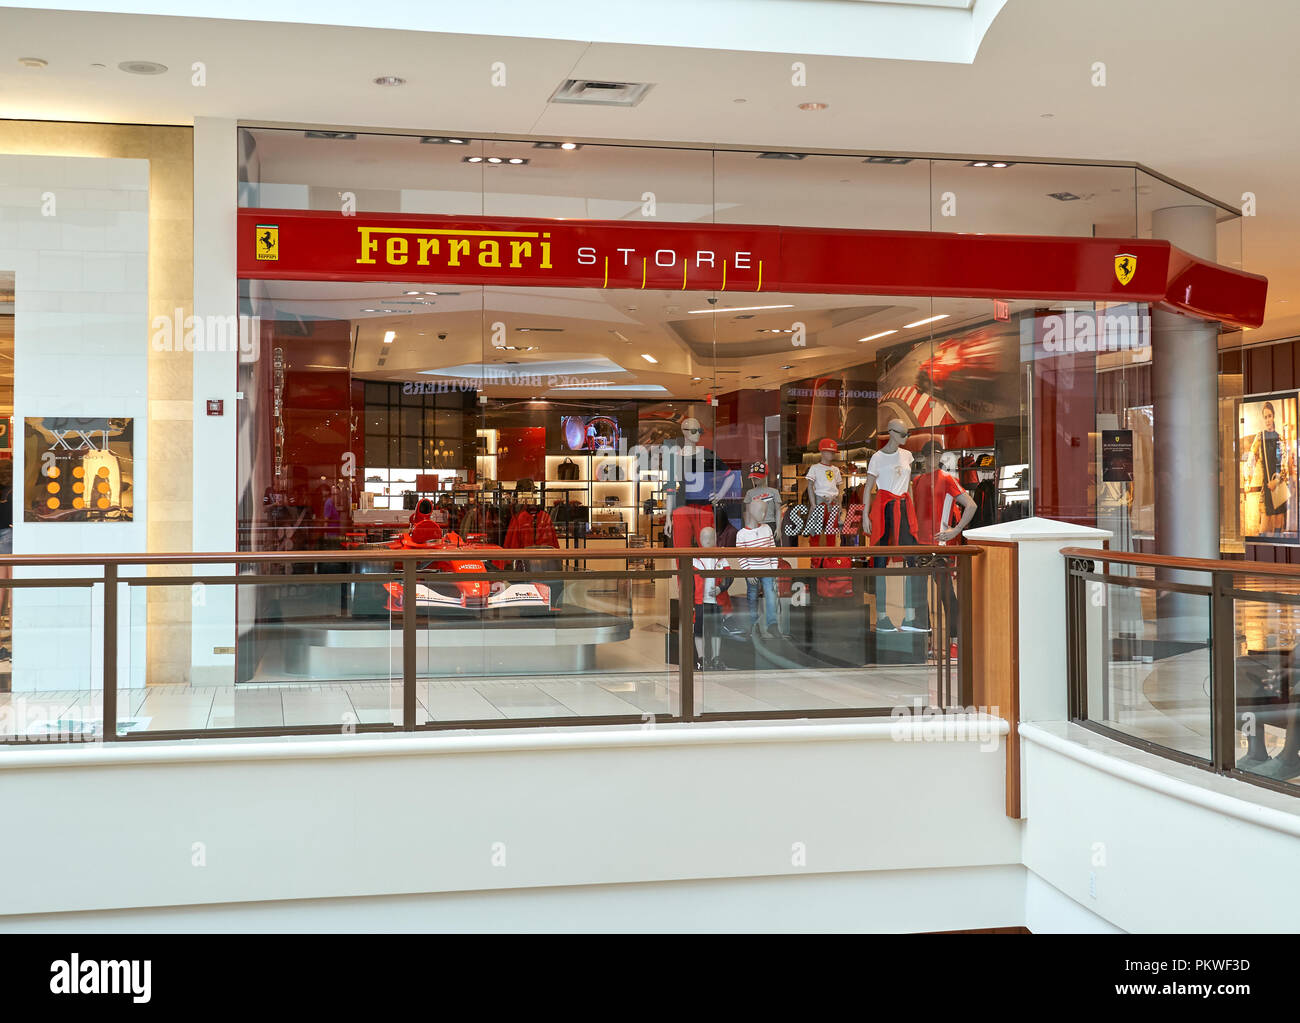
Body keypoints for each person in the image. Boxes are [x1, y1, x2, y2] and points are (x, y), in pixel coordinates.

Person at [1246, 401, 1293, 535]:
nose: (1267, 420)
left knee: (1278, 524)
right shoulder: (1260, 437)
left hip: (1278, 485)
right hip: (1266, 487)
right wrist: (1248, 479)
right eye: (1265, 417)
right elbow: (1251, 459)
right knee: (1264, 528)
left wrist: (1276, 481)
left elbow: (1284, 465)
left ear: (1273, 417)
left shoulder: (1280, 438)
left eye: (1270, 416)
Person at [736, 497, 780, 637]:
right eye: (761, 511)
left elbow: (773, 549)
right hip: (752, 572)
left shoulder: (767, 529)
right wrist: (748, 572)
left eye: (765, 512)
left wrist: (773, 569)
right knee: (752, 597)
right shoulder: (741, 534)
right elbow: (741, 556)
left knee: (771, 595)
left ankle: (772, 624)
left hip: (767, 569)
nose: (764, 515)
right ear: (752, 511)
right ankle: (754, 625)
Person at [692, 526, 731, 671]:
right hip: (700, 601)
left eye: (711, 537)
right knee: (698, 630)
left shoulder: (721, 557)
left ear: (716, 539)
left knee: (716, 630)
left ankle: (716, 658)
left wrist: (721, 588)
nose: (708, 541)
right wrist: (691, 602)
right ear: (700, 540)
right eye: (705, 538)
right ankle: (701, 658)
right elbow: (688, 582)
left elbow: (729, 576)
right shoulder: (694, 559)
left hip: (717, 601)